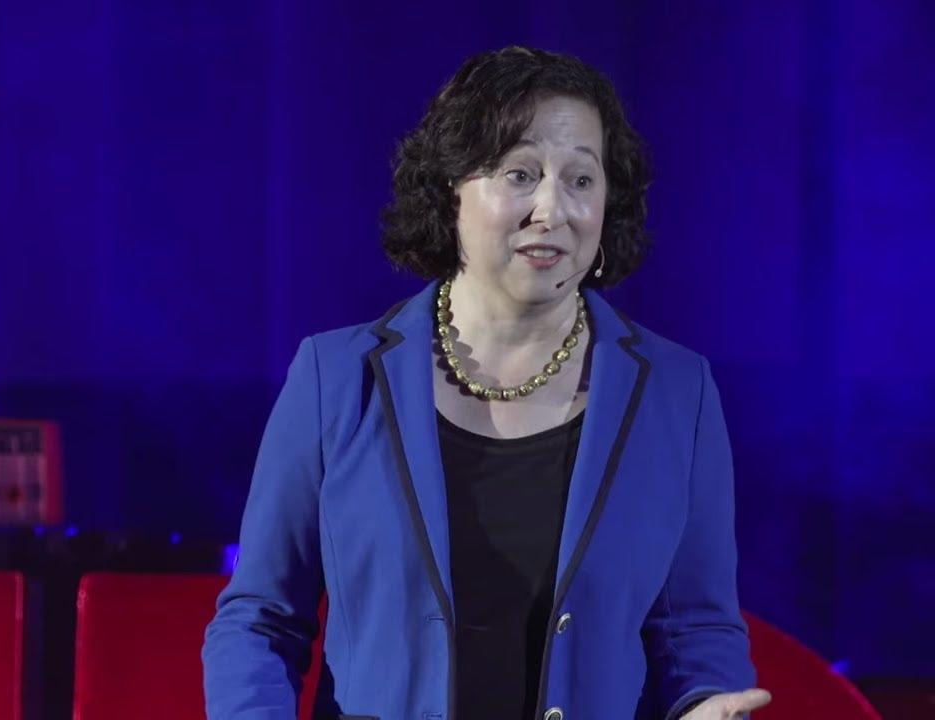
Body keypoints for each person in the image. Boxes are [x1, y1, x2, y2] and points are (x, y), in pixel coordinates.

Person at [202, 45, 771, 720]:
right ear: (452, 187)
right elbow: (260, 619)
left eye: (581, 179)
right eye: (520, 174)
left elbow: (696, 630)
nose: (552, 209)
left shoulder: (678, 393)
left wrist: (705, 702)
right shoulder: (336, 377)